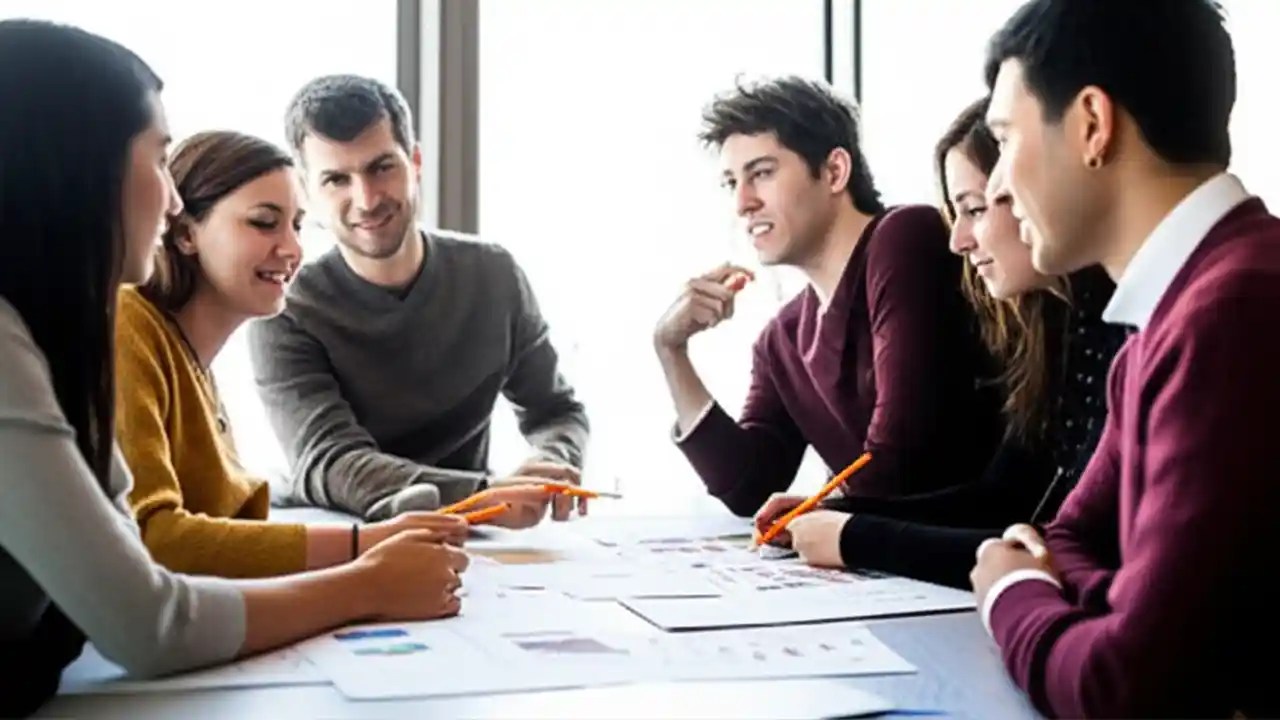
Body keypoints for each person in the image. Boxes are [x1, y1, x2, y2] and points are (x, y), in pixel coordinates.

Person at [0, 21, 466, 716]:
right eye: (158, 159)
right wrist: (367, 578)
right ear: (75, 163)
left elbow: (131, 547)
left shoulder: (66, 333)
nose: (172, 195)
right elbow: (149, 617)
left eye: (295, 224)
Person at [972, 1, 1280, 716]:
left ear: (1090, 124)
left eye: (1004, 139)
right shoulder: (1165, 318)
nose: (997, 189)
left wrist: (1012, 592)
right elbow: (1071, 537)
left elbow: (1125, 689)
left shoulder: (1234, 312)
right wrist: (1121, 601)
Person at [751, 98, 1126, 589]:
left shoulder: (1123, 330)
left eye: (976, 209)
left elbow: (1061, 548)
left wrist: (856, 535)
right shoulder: (1056, 331)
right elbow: (1003, 495)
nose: (958, 241)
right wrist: (840, 510)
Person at [116, 130, 476, 579]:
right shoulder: (128, 323)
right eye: (265, 222)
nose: (292, 249)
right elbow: (150, 537)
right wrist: (364, 546)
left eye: (297, 225)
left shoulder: (190, 361)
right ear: (186, 232)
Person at [654, 76, 1003, 516]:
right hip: (890, 565)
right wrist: (671, 350)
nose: (743, 202)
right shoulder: (782, 336)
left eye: (761, 173)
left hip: (972, 549)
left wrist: (823, 511)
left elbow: (903, 456)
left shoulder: (904, 238)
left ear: (835, 171)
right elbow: (749, 486)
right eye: (730, 182)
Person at [249, 75, 590, 524]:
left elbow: (555, 410)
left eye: (381, 167)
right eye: (336, 179)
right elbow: (330, 461)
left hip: (471, 539)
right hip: (343, 537)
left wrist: (551, 463)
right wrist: (483, 496)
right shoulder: (285, 308)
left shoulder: (493, 275)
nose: (366, 199)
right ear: (307, 191)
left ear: (415, 161)